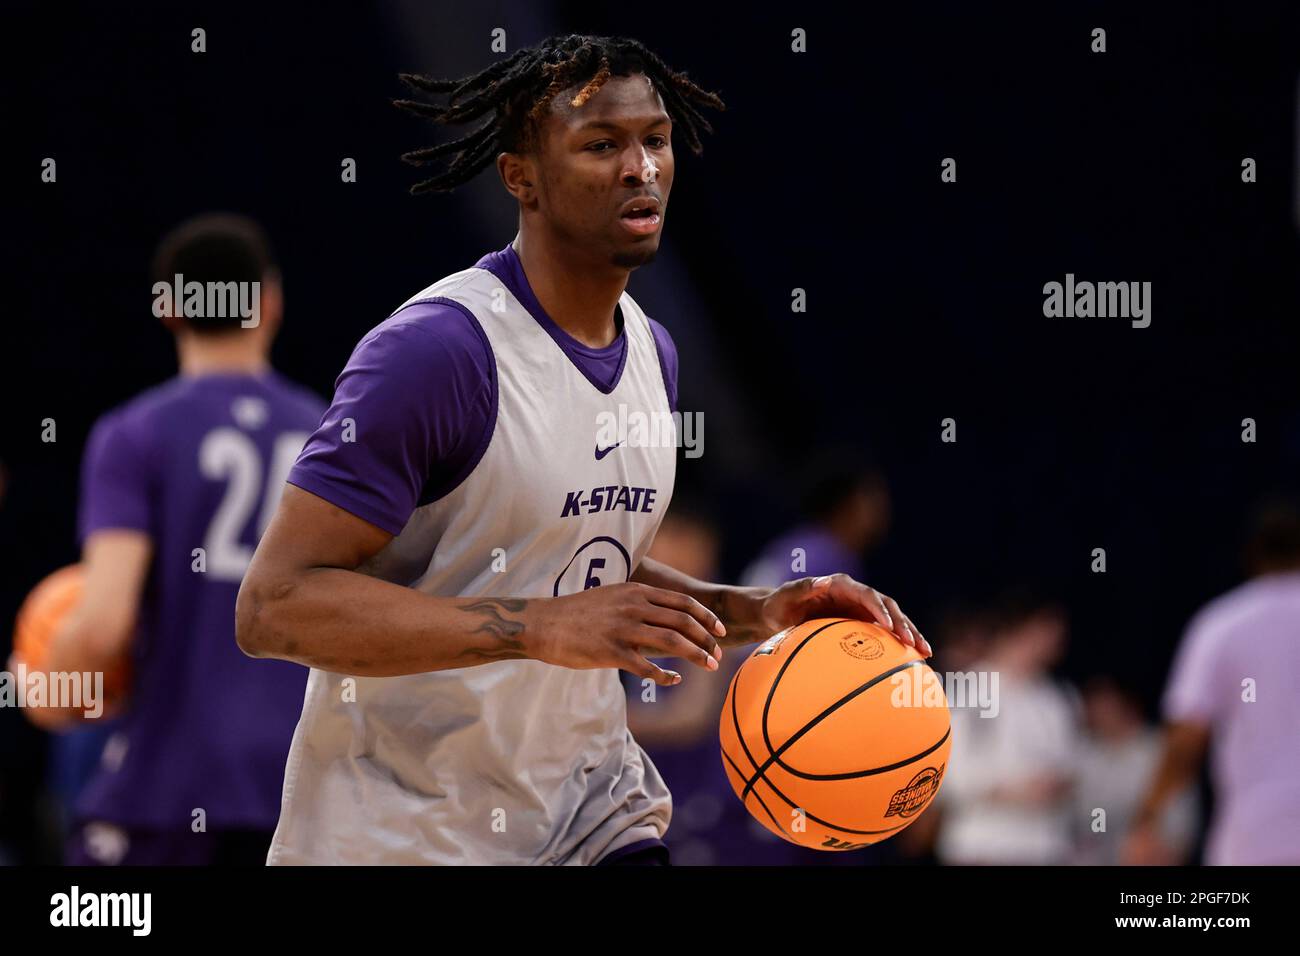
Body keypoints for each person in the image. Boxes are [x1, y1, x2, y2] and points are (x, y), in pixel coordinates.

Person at [236, 34, 932, 866]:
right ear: (520, 176)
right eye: (602, 144)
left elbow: (572, 559)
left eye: (656, 139)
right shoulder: (437, 355)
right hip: (408, 831)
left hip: (590, 815)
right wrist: (537, 628)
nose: (641, 167)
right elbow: (273, 607)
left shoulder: (653, 352)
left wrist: (756, 613)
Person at [12, 214, 324, 864]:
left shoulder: (135, 435)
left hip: (169, 791)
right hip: (300, 793)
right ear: (270, 303)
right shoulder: (328, 435)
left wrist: (45, 685)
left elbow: (101, 627)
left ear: (169, 308)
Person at [1124, 495, 1300, 865]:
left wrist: (1148, 815)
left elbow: (1187, 737)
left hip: (1256, 838)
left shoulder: (1223, 625)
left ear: (1252, 554)